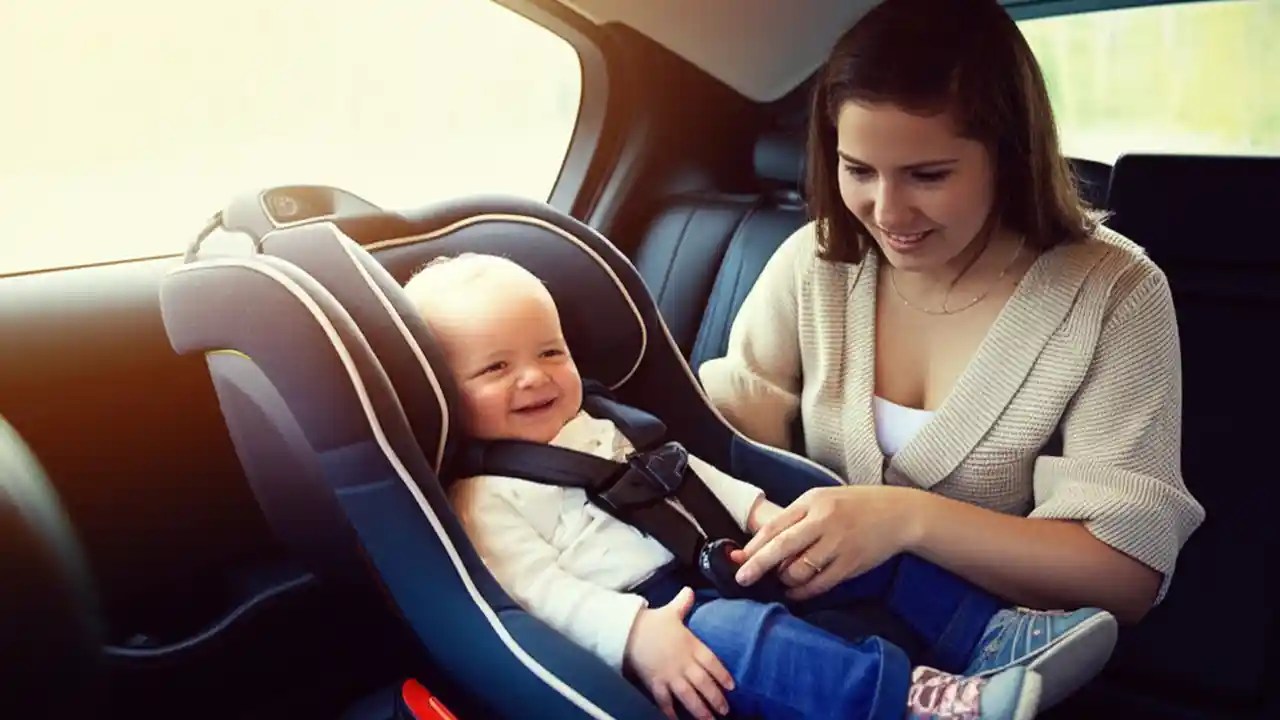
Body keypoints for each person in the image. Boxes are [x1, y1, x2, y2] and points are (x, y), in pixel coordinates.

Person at [697, 0, 1206, 711]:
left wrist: (905, 518)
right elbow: (717, 422)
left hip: (989, 680)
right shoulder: (818, 260)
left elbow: (1125, 576)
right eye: (857, 170)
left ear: (1010, 153)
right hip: (794, 644)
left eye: (928, 175)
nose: (886, 213)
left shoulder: (1115, 294)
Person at [402, 252, 1111, 720]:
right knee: (742, 636)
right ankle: (922, 703)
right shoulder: (482, 497)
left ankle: (992, 632)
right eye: (494, 370)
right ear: (441, 394)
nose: (533, 377)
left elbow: (687, 471)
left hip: (727, 548)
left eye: (549, 352)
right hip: (658, 612)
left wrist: (764, 511)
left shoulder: (602, 424)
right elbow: (540, 597)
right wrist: (636, 636)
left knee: (850, 547)